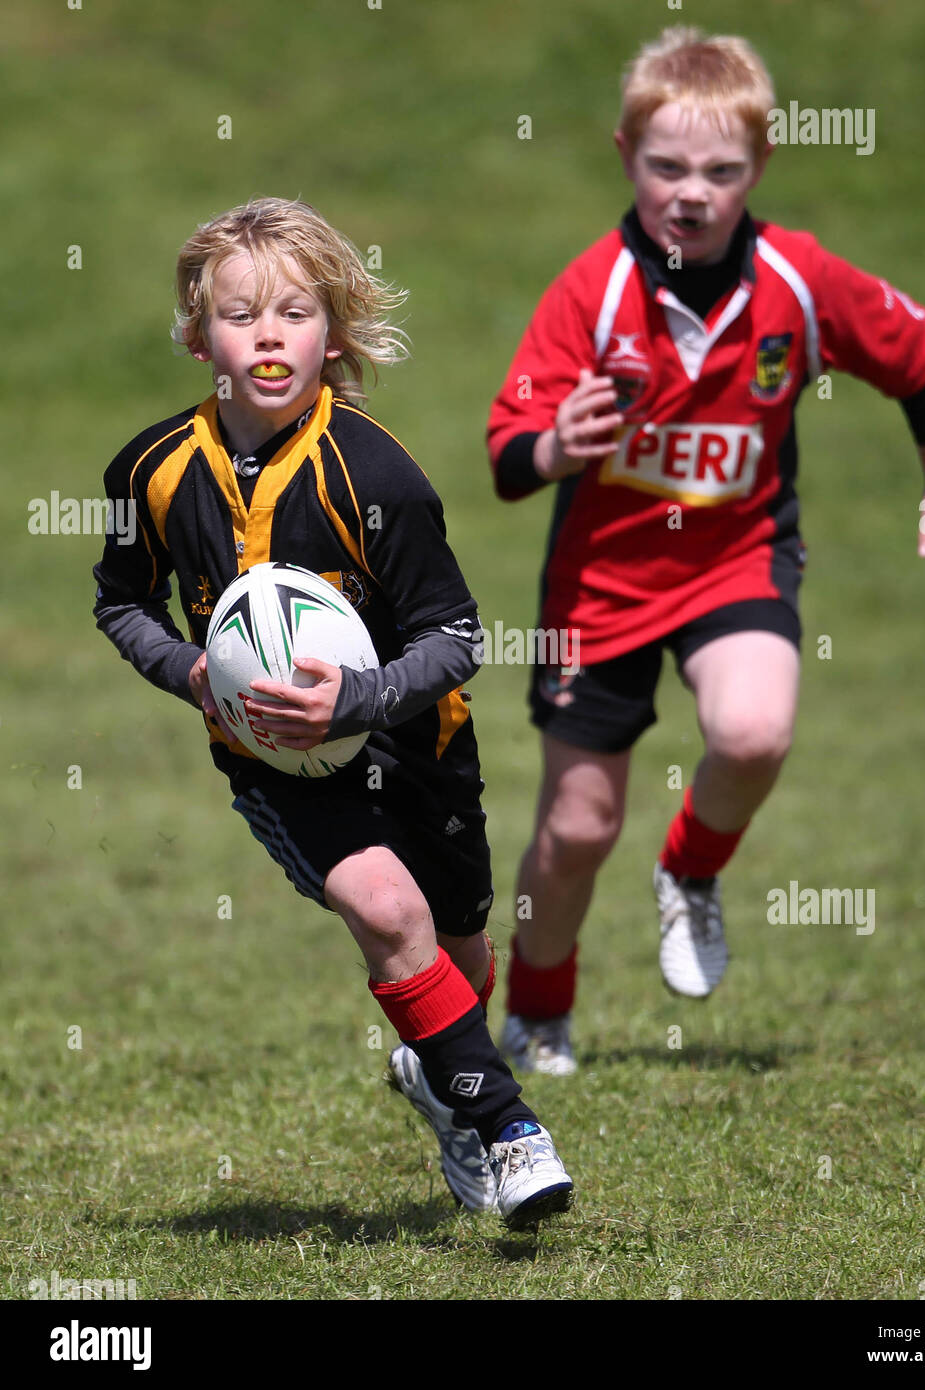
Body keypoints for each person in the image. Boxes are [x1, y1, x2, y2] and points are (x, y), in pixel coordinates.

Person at [487, 28, 925, 1076]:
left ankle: (688, 871)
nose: (691, 192)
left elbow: (906, 352)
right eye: (665, 166)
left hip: (735, 562)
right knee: (578, 827)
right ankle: (537, 1011)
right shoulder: (588, 291)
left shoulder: (793, 276)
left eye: (720, 170)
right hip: (598, 587)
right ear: (624, 153)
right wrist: (559, 444)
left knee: (756, 730)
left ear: (758, 168)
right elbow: (507, 457)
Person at [93, 197, 573, 1225]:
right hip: (274, 760)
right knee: (387, 913)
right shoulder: (148, 470)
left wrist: (358, 697)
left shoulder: (377, 473)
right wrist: (190, 672)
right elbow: (119, 598)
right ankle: (507, 1128)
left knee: (457, 949)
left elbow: (453, 637)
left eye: (296, 312)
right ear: (196, 333)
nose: (269, 335)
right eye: (241, 313)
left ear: (334, 331)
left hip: (416, 743)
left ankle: (437, 1075)